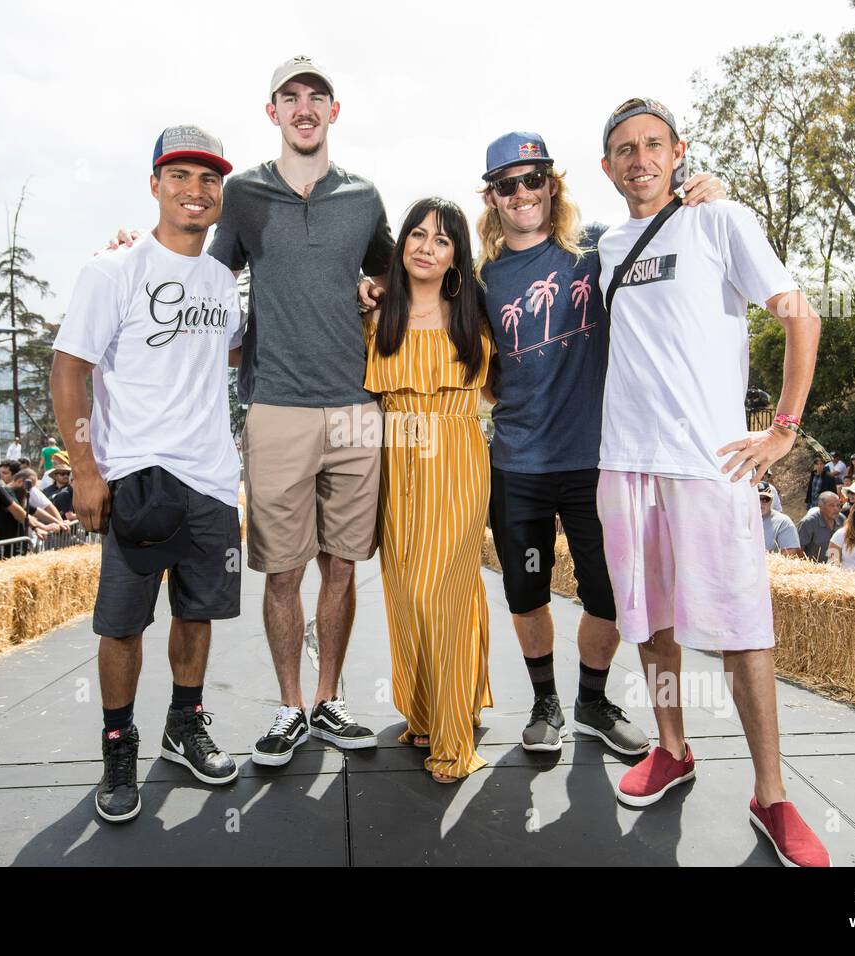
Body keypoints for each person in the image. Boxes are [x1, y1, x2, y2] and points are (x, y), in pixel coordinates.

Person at [359, 132, 720, 756]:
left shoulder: (601, 249)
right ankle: (545, 703)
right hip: (517, 465)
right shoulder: (476, 281)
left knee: (606, 596)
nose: (522, 193)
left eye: (533, 179)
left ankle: (594, 701)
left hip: (596, 460)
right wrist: (374, 287)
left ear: (553, 185)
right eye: (507, 184)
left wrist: (703, 189)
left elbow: (662, 218)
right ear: (492, 198)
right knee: (526, 592)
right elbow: (426, 301)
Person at [594, 97, 828, 865]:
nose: (640, 160)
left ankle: (772, 794)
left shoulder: (722, 220)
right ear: (608, 166)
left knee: (743, 634)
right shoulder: (604, 247)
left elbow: (802, 316)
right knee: (654, 626)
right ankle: (672, 748)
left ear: (679, 151)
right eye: (625, 149)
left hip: (711, 463)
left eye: (653, 145)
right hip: (627, 462)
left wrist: (783, 430)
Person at [200, 56, 395, 765]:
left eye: (318, 96)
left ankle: (327, 698)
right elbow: (204, 278)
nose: (305, 107)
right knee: (283, 572)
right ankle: (288, 708)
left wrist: (373, 289)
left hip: (354, 408)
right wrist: (140, 252)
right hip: (275, 406)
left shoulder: (365, 196)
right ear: (272, 111)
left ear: (333, 112)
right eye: (292, 97)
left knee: (341, 568)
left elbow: (391, 270)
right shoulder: (243, 194)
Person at [52, 123, 246, 823]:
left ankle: (184, 724)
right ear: (156, 184)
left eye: (209, 179)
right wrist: (85, 469)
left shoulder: (224, 280)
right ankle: (117, 743)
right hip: (135, 473)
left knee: (197, 614)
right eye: (181, 176)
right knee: (123, 625)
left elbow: (222, 356)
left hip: (213, 480)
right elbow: (70, 369)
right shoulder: (113, 270)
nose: (196, 191)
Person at [363, 198, 494, 783]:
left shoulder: (474, 315)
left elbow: (502, 390)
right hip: (397, 463)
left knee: (445, 594)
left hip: (460, 461)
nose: (425, 247)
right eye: (416, 235)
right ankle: (427, 708)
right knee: (406, 596)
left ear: (455, 257)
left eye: (441, 241)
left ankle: (452, 737)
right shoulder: (374, 316)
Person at [759, 482, 801, 557]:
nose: (760, 503)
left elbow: (789, 556)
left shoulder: (783, 523)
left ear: (771, 500)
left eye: (765, 499)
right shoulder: (739, 520)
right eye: (756, 499)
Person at [797, 491, 841, 561]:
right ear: (821, 507)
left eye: (838, 505)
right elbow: (798, 550)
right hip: (813, 568)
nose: (836, 509)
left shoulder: (842, 520)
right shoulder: (808, 523)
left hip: (835, 567)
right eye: (831, 505)